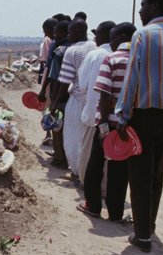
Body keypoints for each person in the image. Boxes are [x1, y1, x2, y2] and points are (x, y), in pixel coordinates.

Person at [113, 0, 163, 252]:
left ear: (155, 6)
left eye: (144, 4)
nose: (141, 9)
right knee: (157, 172)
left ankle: (142, 235)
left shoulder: (143, 35)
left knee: (140, 174)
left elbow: (132, 78)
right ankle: (150, 225)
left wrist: (123, 115)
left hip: (143, 115)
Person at [80, 22, 135, 221]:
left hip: (109, 122)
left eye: (112, 38)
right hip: (128, 126)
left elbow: (104, 94)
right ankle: (116, 211)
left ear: (122, 37)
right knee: (120, 170)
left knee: (96, 165)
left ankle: (93, 205)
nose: (110, 42)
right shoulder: (141, 60)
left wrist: (103, 123)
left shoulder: (112, 59)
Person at [75, 21, 116, 187]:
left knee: (88, 151)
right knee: (110, 154)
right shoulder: (121, 55)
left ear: (106, 35)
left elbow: (82, 85)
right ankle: (105, 189)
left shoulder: (95, 55)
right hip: (114, 117)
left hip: (93, 112)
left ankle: (86, 184)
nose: (95, 37)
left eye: (97, 33)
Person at [56, 18, 96, 177]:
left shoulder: (72, 51)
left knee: (73, 137)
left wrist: (56, 104)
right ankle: (87, 172)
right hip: (94, 100)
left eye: (70, 32)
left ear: (78, 31)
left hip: (77, 100)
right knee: (88, 140)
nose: (68, 35)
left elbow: (65, 81)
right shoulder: (95, 46)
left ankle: (76, 172)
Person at [39, 19, 72, 167]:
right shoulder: (72, 48)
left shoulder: (59, 51)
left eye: (55, 32)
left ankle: (60, 159)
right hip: (72, 97)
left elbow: (56, 78)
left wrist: (54, 100)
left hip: (59, 96)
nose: (53, 35)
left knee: (57, 126)